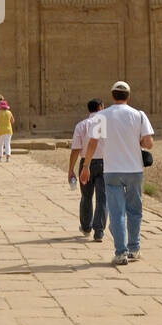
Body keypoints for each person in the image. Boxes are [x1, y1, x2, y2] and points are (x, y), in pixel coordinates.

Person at [79, 80, 154, 266]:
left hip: (112, 170)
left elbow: (93, 143)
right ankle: (134, 248)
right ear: (128, 96)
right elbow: (148, 143)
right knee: (135, 210)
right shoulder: (139, 115)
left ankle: (121, 252)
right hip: (134, 169)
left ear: (112, 96)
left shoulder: (102, 116)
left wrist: (86, 166)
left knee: (117, 211)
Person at [68, 99, 106, 241]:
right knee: (103, 198)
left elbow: (76, 149)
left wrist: (70, 169)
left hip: (86, 162)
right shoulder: (106, 124)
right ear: (100, 107)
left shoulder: (81, 125)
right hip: (104, 163)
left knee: (86, 196)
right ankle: (99, 231)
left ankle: (86, 226)